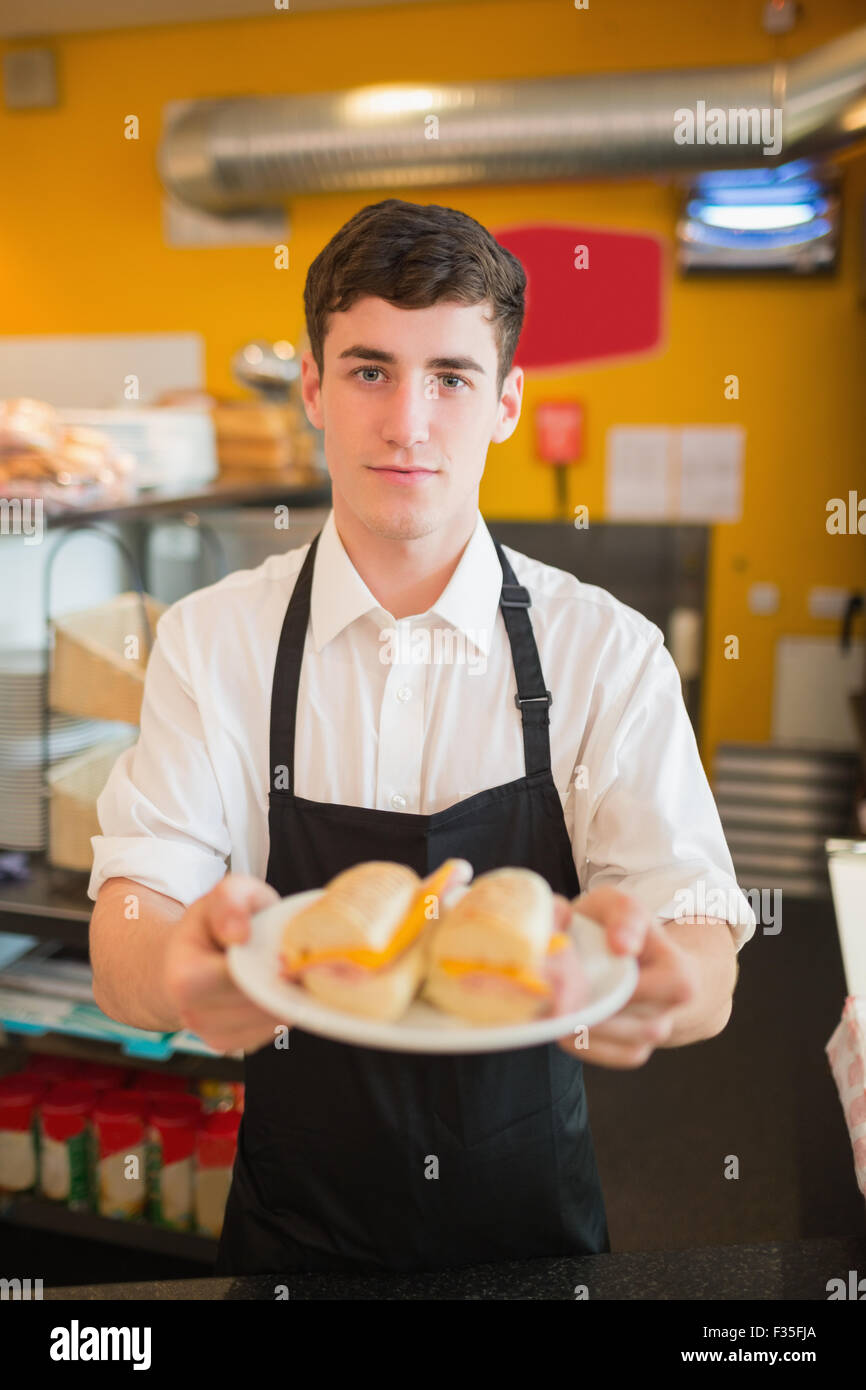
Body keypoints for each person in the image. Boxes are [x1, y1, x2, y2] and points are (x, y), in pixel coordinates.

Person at [89, 198, 755, 1275]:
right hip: (287, 1231)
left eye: (449, 376)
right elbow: (130, 916)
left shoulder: (606, 650)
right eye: (367, 371)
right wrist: (174, 967)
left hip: (532, 1238)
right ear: (311, 387)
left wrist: (663, 984)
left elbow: (698, 936)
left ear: (504, 402)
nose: (407, 422)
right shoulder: (213, 641)